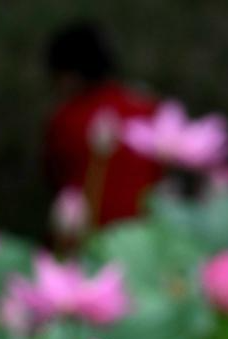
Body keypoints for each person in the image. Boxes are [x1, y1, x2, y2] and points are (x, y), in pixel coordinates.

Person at [44, 22, 162, 227]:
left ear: (69, 76)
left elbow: (55, 180)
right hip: (145, 228)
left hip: (85, 233)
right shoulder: (147, 108)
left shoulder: (64, 120)